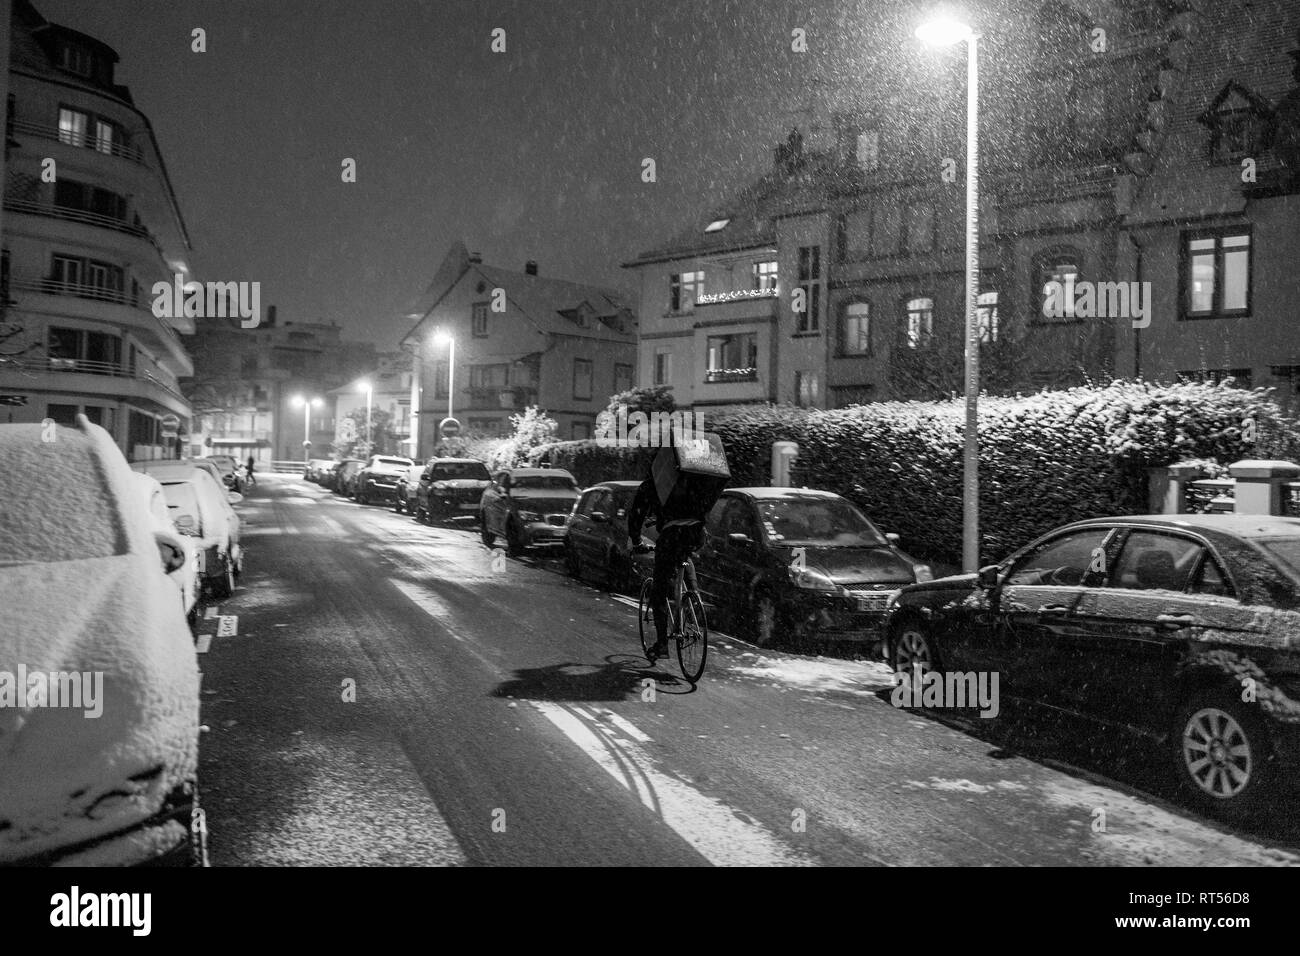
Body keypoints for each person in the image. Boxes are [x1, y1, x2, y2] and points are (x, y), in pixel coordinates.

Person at [627, 459, 719, 662]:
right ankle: (694, 596)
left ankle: (661, 645)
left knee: (658, 591)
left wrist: (636, 540)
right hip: (697, 533)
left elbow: (636, 515)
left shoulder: (655, 483)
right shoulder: (692, 476)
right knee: (684, 555)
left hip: (672, 535)